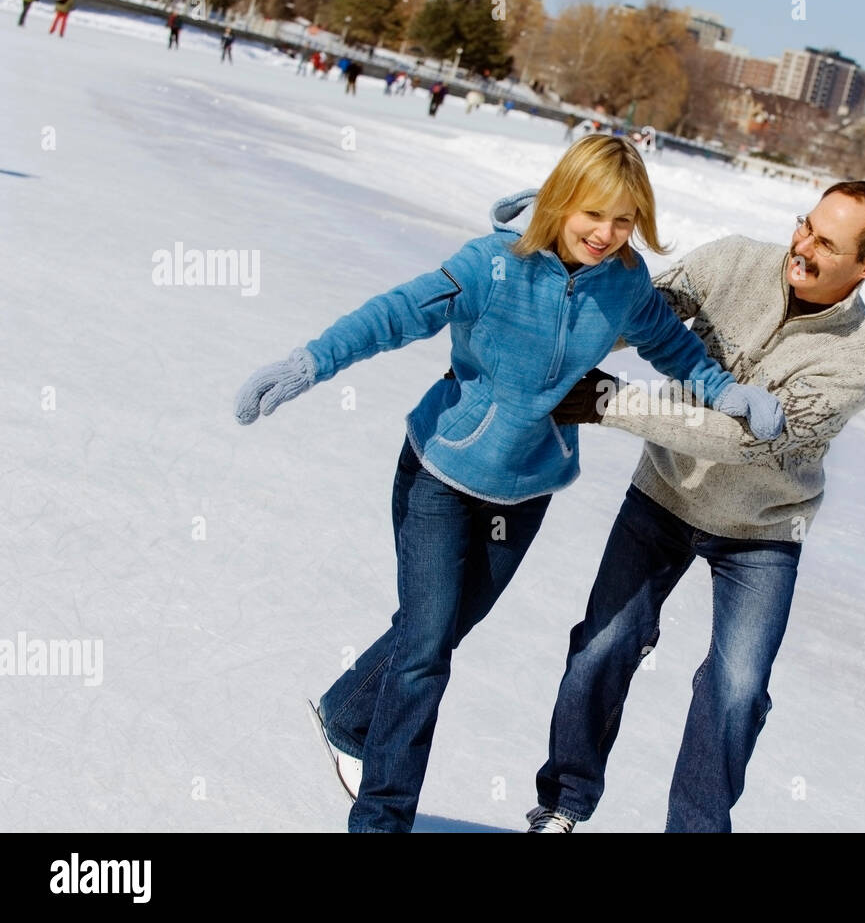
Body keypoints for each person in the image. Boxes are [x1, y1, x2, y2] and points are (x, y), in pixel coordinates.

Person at [232, 136, 785, 833]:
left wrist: (725, 391)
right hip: (440, 472)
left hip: (523, 492)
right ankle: (380, 821)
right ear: (561, 198)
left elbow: (669, 342)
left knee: (436, 632)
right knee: (425, 657)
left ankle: (347, 712)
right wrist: (309, 362)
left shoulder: (622, 280)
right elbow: (396, 313)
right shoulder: (492, 265)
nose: (607, 234)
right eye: (595, 215)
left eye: (624, 221)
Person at [525, 180, 865, 833]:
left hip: (761, 531)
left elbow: (746, 441)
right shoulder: (730, 262)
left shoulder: (857, 364)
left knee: (736, 690)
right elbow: (640, 315)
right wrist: (557, 294)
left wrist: (609, 402)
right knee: (603, 643)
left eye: (826, 244)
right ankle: (561, 805)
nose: (802, 246)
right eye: (804, 225)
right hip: (665, 493)